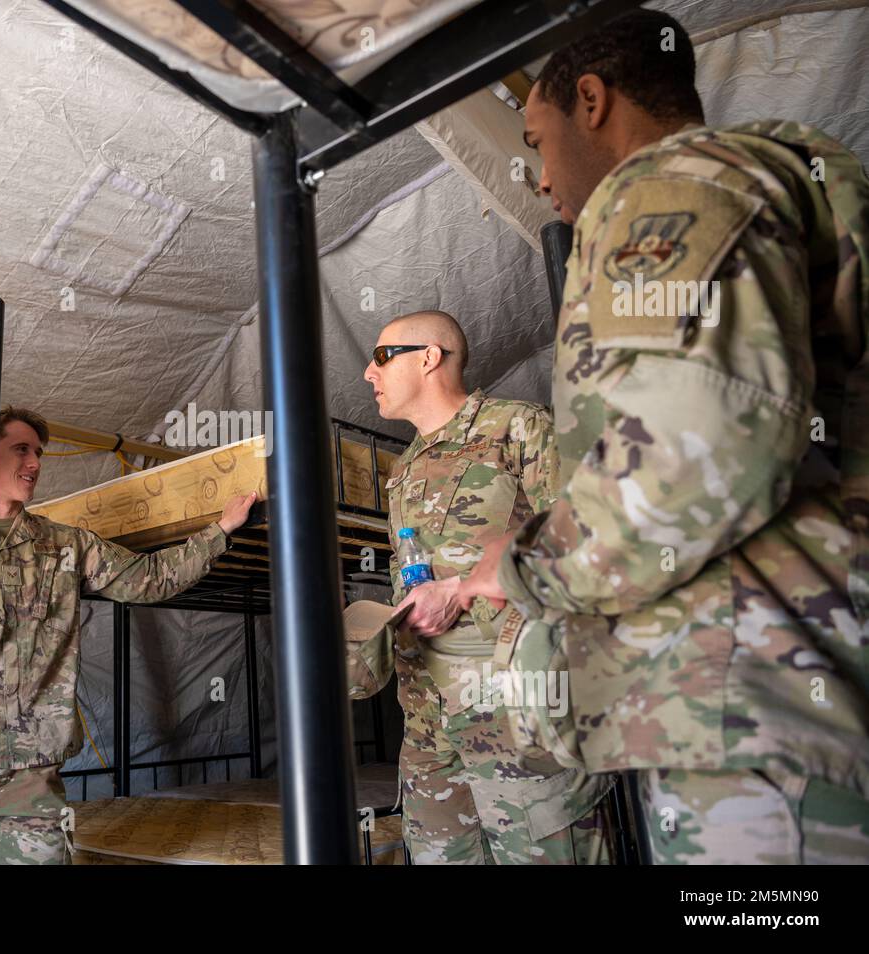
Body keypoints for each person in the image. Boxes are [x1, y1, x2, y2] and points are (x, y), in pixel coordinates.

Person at [460, 8, 869, 862]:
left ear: (592, 99)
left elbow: (699, 447)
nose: (538, 177)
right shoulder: (791, 191)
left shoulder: (667, 186)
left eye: (537, 141)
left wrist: (526, 566)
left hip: (748, 718)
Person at [0, 405, 256, 863]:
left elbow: (149, 578)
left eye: (39, 453)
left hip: (29, 771)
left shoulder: (64, 545)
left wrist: (220, 531)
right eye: (22, 450)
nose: (35, 464)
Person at [348, 310, 610, 864]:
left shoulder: (519, 427)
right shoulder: (403, 470)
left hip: (516, 714)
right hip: (427, 725)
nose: (368, 375)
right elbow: (411, 573)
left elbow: (581, 543)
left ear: (428, 357)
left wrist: (464, 589)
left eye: (379, 358)